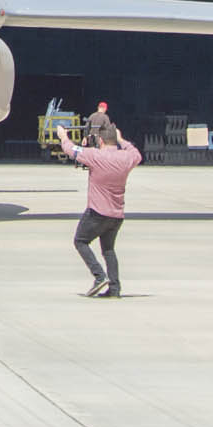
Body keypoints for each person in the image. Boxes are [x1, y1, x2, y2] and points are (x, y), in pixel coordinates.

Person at [56, 119, 143, 298]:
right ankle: (115, 288)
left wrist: (63, 136)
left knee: (80, 241)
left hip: (97, 212)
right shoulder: (126, 157)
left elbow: (71, 150)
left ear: (101, 141)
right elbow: (137, 154)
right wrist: (122, 140)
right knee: (109, 250)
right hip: (116, 214)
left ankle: (99, 276)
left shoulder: (95, 155)